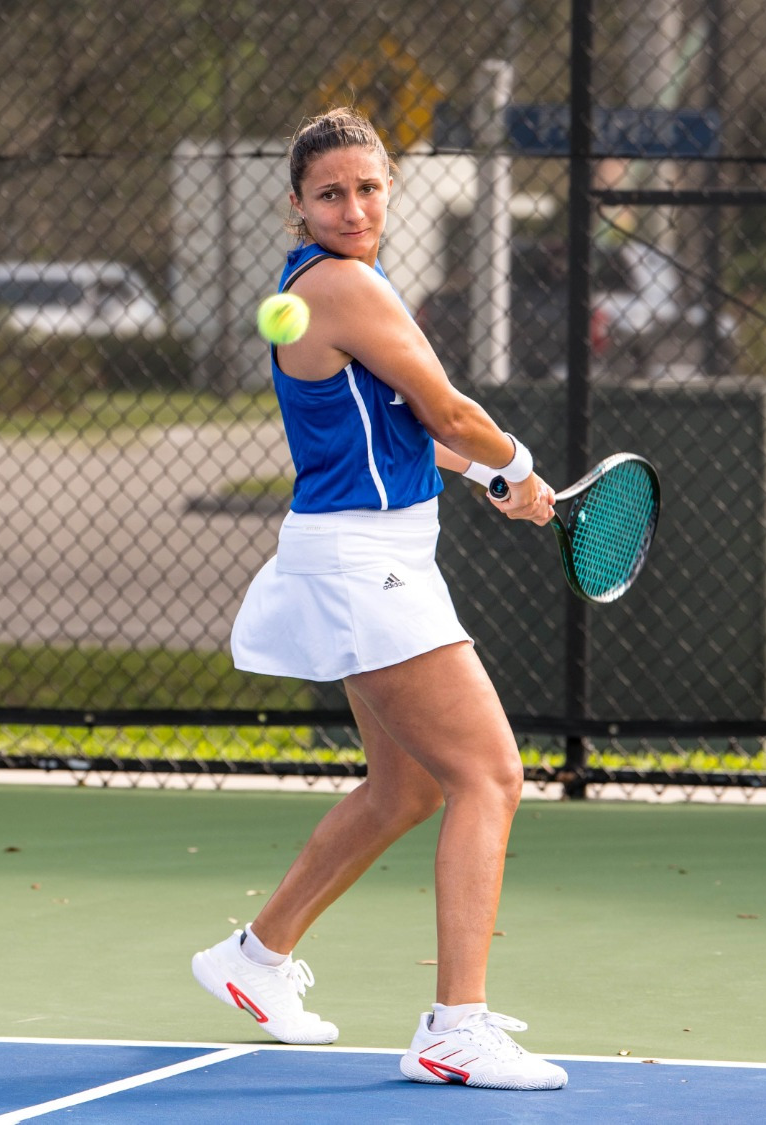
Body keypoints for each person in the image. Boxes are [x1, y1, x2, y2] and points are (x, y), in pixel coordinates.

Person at [189, 107, 568, 1092]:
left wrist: (486, 481)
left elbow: (406, 430)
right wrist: (519, 463)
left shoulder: (328, 285)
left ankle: (253, 959)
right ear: (297, 206)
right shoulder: (342, 285)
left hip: (370, 551)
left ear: (387, 190)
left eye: (367, 189)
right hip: (364, 564)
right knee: (490, 776)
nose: (352, 208)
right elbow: (448, 407)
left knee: (407, 786)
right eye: (330, 194)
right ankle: (455, 1027)